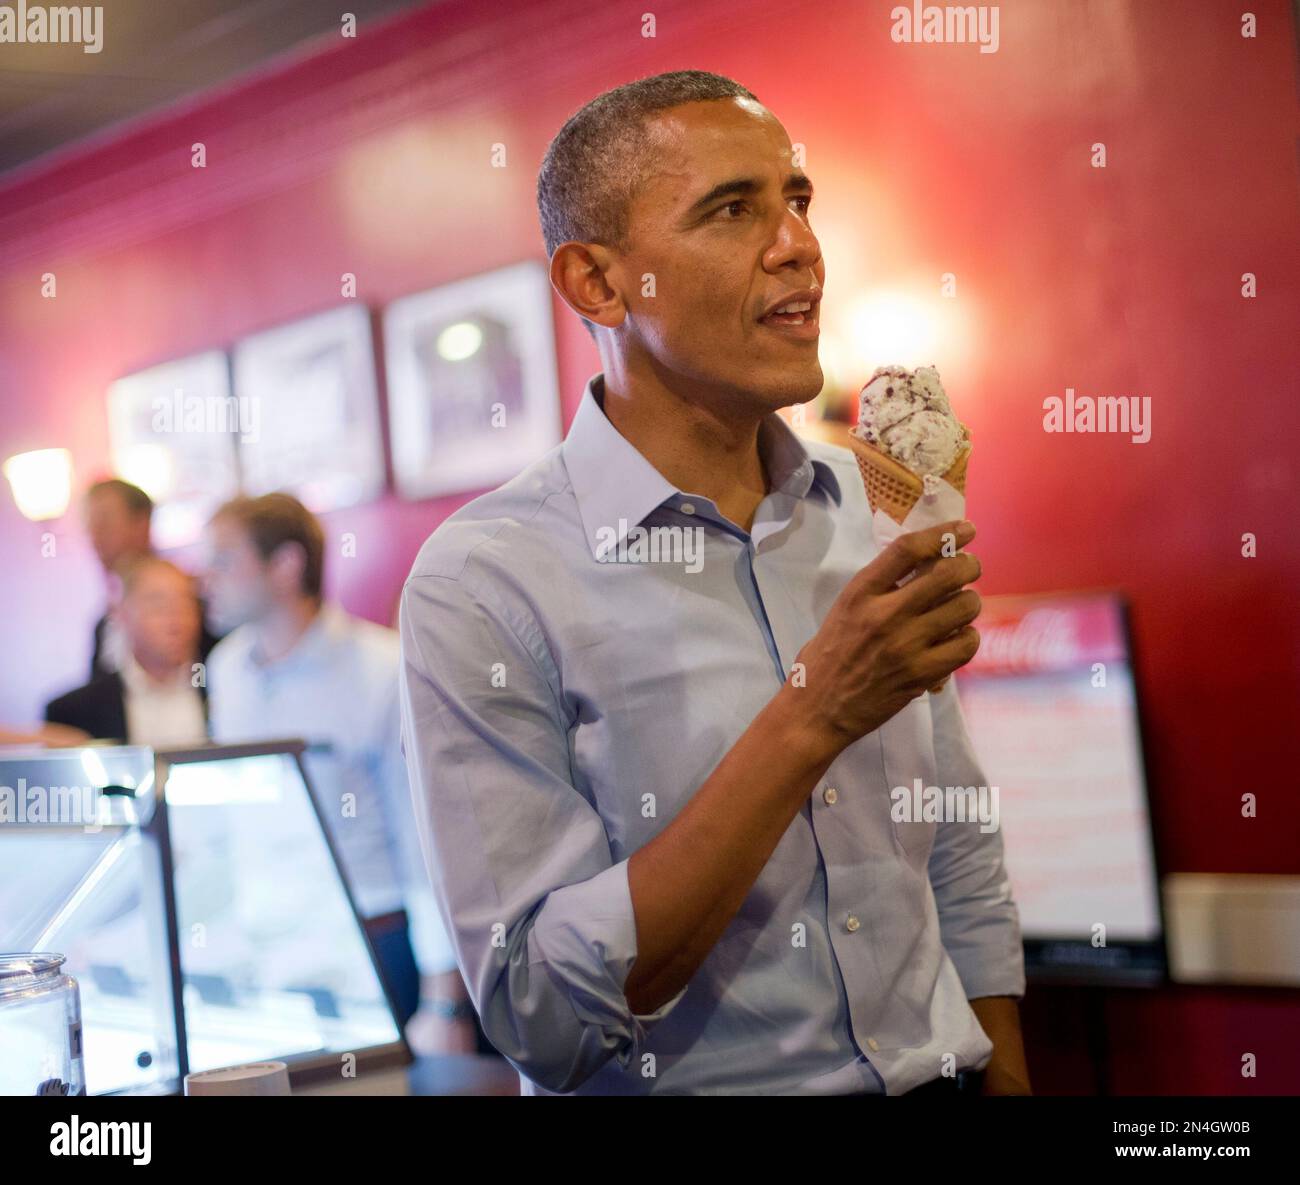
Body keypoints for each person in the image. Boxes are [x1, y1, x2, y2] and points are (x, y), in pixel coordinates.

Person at [397, 70, 1031, 1096]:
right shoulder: (484, 582)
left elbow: (953, 841)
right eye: (733, 209)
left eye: (797, 199)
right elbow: (540, 1020)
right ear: (598, 284)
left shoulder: (876, 505)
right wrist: (813, 713)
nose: (798, 245)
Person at [200, 492, 475, 1054]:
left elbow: (424, 834)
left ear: (286, 565)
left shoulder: (381, 667)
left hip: (372, 947)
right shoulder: (225, 670)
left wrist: (443, 999)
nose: (206, 578)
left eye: (225, 560)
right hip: (264, 952)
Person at [45, 555, 208, 746]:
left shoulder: (223, 683)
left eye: (186, 603)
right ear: (121, 613)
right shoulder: (74, 711)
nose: (176, 619)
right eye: (159, 605)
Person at [83, 478, 221, 678]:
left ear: (142, 523)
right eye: (90, 523)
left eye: (105, 521)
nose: (95, 535)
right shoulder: (104, 623)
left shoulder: (195, 596)